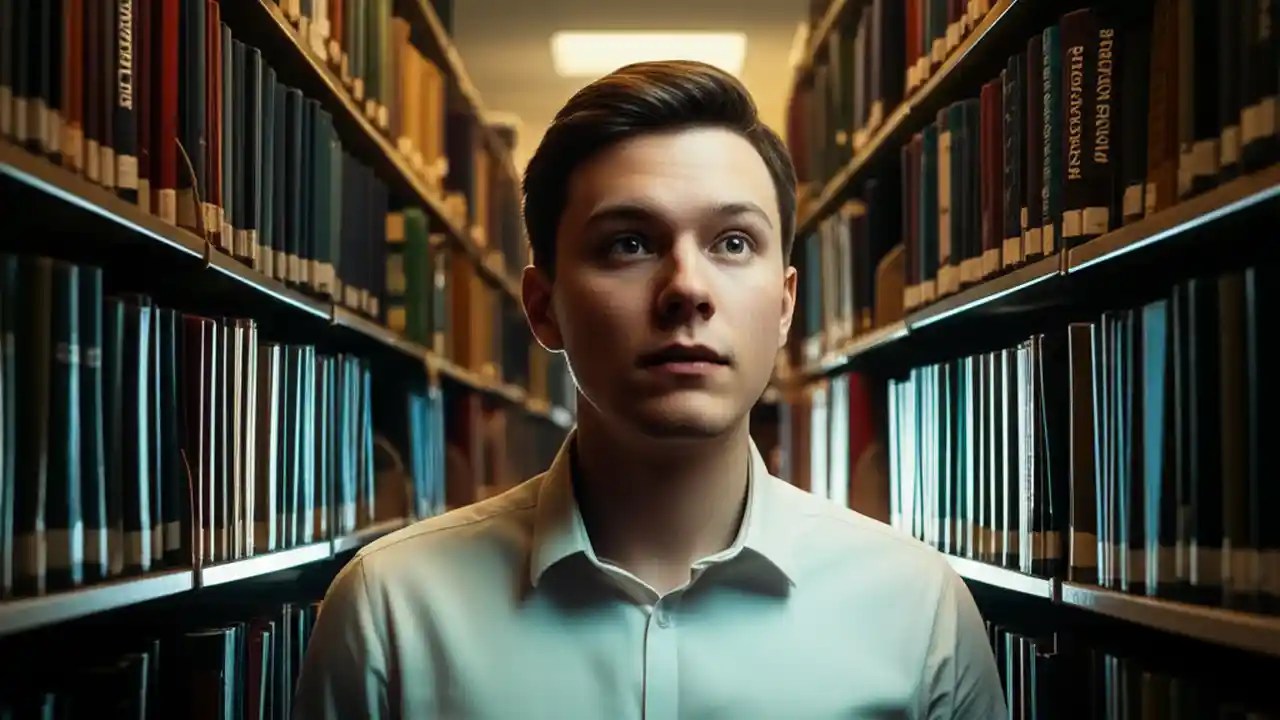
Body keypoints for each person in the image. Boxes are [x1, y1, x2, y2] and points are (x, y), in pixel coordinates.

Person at [294, 59, 1006, 719]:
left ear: (785, 305)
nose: (687, 290)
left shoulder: (919, 613)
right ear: (544, 308)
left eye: (733, 242)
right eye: (628, 243)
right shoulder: (390, 612)